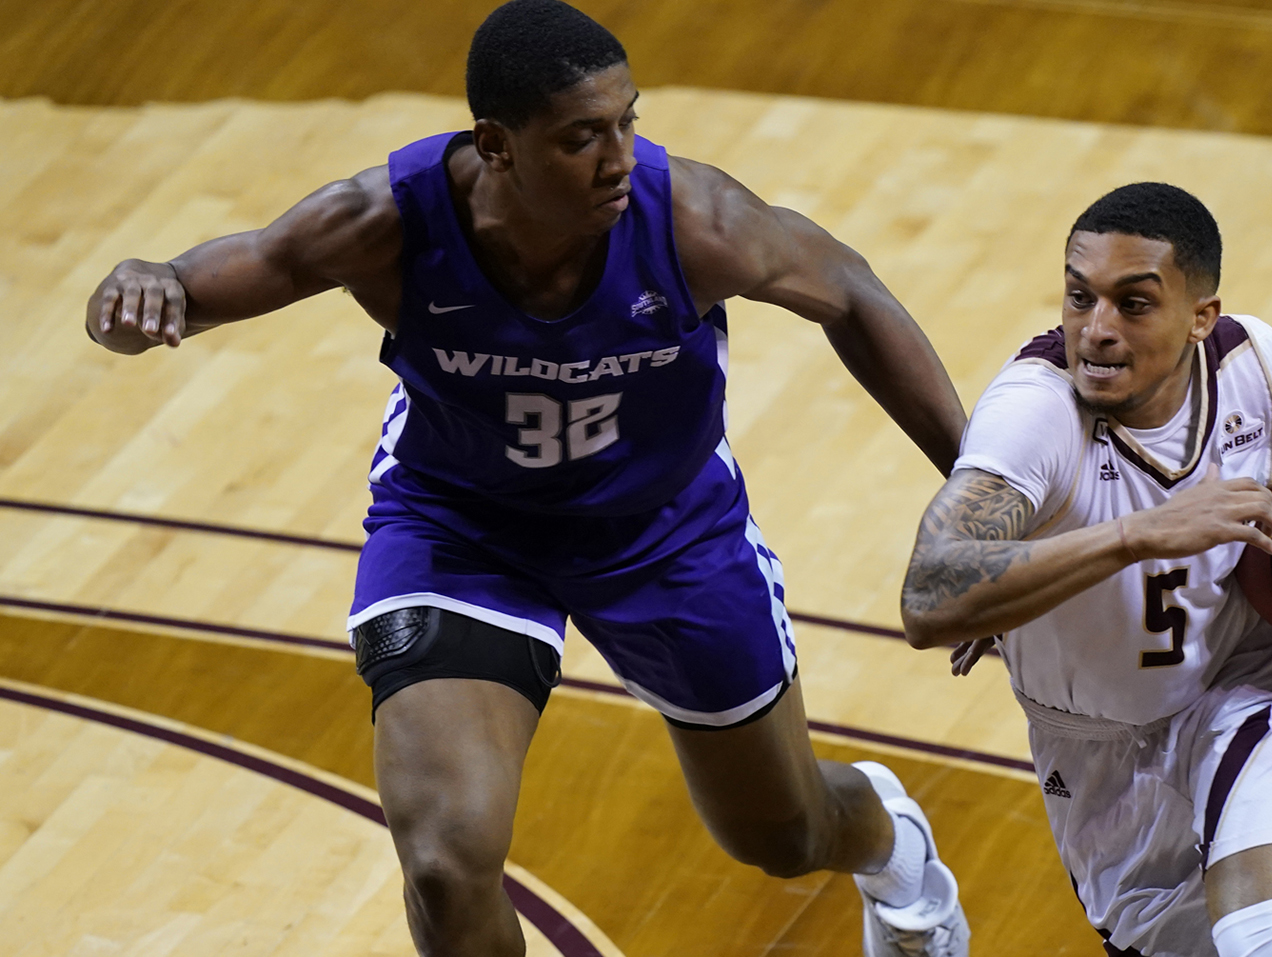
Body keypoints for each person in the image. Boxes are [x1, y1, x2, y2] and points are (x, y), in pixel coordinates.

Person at [84, 2, 970, 954]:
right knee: (444, 856)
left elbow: (853, 294)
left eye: (629, 120)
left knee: (783, 834)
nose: (620, 156)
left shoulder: (697, 221)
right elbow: (184, 286)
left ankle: (892, 841)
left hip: (662, 527)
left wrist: (975, 505)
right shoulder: (383, 221)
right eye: (583, 137)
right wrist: (136, 288)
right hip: (463, 529)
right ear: (496, 144)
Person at [900, 183, 1272, 957]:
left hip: (1250, 679)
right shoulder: (1034, 412)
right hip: (1093, 738)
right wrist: (1130, 536)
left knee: (1267, 933)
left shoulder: (1254, 366)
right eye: (1078, 297)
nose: (1095, 331)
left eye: (1134, 304)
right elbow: (928, 594)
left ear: (1203, 317)